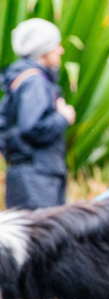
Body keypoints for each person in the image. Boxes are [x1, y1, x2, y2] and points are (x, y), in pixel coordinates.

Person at [0, 18, 75, 209]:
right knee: (42, 227)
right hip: (38, 179)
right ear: (43, 50)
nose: (61, 50)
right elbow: (32, 127)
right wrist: (63, 117)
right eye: (56, 45)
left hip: (26, 176)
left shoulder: (20, 81)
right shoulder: (35, 82)